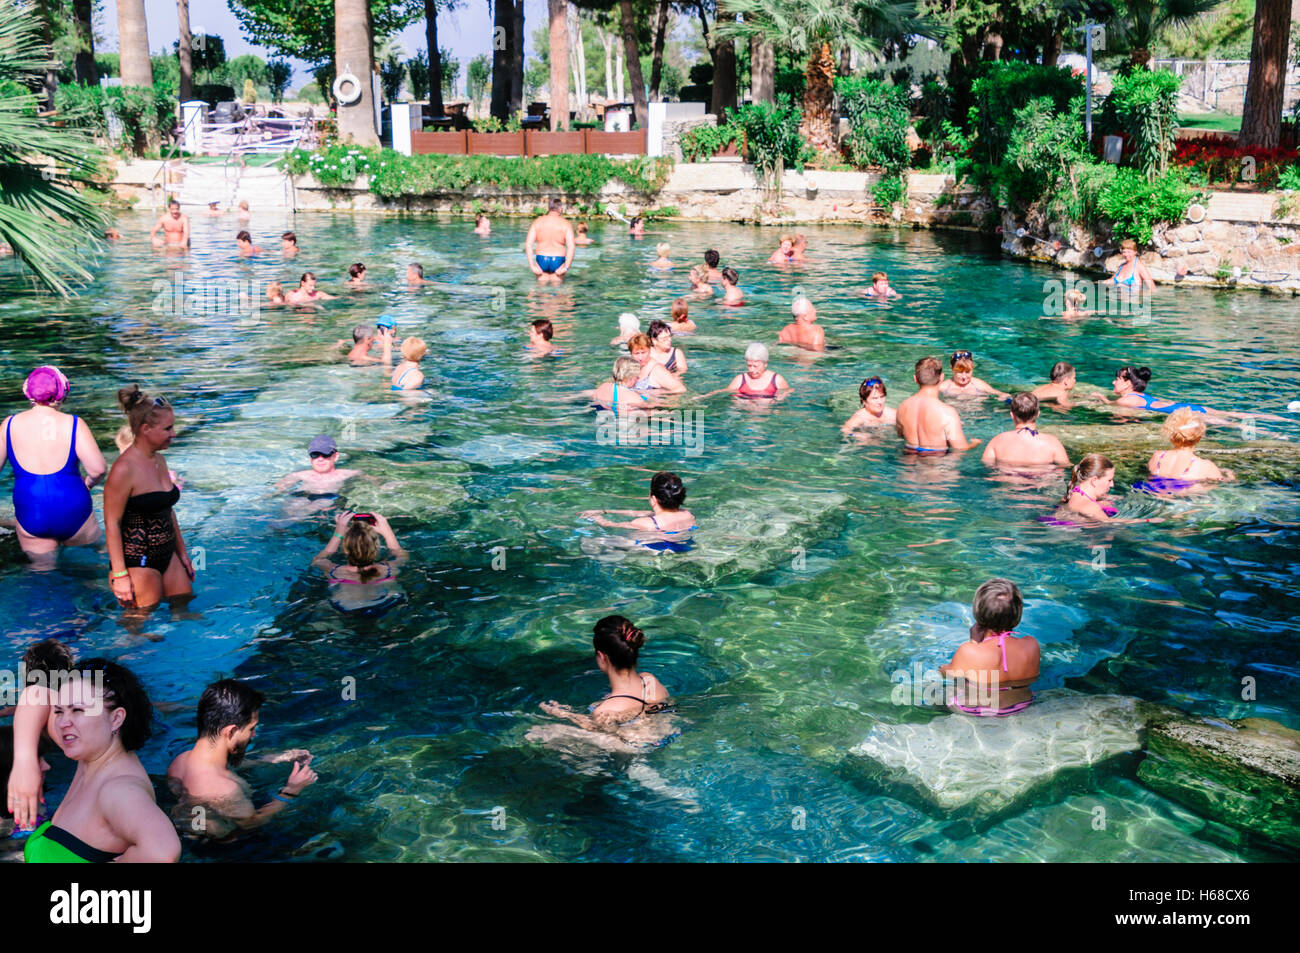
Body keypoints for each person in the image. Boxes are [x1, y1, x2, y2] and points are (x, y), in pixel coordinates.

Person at [21, 659, 181, 862]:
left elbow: (163, 852)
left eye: (78, 710)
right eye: (60, 711)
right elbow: (36, 694)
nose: (62, 722)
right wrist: (24, 763)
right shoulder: (89, 755)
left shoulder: (118, 790)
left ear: (116, 719)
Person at [166, 679, 318, 840]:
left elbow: (224, 767)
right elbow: (252, 822)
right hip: (225, 844)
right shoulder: (225, 790)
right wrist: (291, 791)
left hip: (195, 829)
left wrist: (273, 758)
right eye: (251, 728)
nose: (254, 734)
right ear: (230, 731)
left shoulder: (180, 761)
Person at [1, 366, 107, 560]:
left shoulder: (8, 425)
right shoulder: (74, 423)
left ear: (28, 392)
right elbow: (98, 469)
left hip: (31, 510)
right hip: (74, 506)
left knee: (42, 578)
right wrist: (88, 484)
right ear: (63, 393)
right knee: (91, 570)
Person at [104, 386, 194, 610]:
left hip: (168, 556)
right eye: (168, 428)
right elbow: (112, 523)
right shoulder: (124, 469)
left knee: (185, 609)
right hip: (137, 561)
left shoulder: (159, 461)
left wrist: (182, 554)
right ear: (146, 429)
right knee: (139, 630)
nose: (174, 434)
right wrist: (120, 575)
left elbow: (167, 509)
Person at [539, 615, 673, 738]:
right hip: (667, 733)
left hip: (638, 757)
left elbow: (602, 734)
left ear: (602, 657)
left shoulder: (605, 710)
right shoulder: (650, 680)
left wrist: (566, 715)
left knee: (540, 732)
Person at [940, 579, 1039, 717]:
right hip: (1021, 705)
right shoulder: (1031, 645)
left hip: (975, 710)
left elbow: (947, 673)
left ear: (978, 612)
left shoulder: (969, 650)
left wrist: (974, 644)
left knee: (940, 690)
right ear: (1018, 613)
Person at [312, 511, 408, 612]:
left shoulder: (334, 571)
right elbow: (402, 555)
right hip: (386, 603)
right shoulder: (388, 569)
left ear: (345, 550)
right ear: (376, 548)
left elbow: (318, 559)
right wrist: (387, 532)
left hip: (345, 608)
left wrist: (338, 534)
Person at [581, 471, 697, 553]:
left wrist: (596, 517)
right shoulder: (687, 514)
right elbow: (643, 513)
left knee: (594, 542)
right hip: (684, 548)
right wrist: (605, 511)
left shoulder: (644, 523)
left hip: (655, 550)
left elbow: (609, 525)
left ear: (653, 499)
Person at [1134, 409, 1235, 494]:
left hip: (1151, 491)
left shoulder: (1158, 456)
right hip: (1180, 498)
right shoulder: (1204, 465)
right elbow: (1224, 483)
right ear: (1199, 438)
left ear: (1171, 436)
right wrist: (1230, 475)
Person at [895, 356, 981, 453]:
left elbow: (901, 435)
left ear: (915, 379)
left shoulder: (902, 406)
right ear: (941, 378)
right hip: (936, 463)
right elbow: (961, 448)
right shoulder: (947, 413)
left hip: (907, 461)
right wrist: (975, 443)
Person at [981, 394, 1070, 468]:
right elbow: (1065, 467)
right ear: (1038, 414)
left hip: (1009, 483)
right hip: (1041, 483)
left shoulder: (997, 441)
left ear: (1012, 415)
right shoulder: (1052, 442)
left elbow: (986, 465)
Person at [698, 343, 790, 400]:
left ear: (765, 363)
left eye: (756, 366)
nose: (752, 370)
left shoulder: (776, 380)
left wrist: (781, 397)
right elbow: (724, 391)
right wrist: (704, 396)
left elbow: (788, 391)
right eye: (749, 365)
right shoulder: (740, 379)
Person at [276, 435, 362, 496]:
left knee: (321, 503)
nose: (320, 459)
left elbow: (372, 482)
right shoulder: (299, 475)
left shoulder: (347, 474)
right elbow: (275, 491)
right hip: (302, 496)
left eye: (325, 455)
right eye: (315, 455)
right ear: (310, 458)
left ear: (335, 456)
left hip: (328, 499)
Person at [525, 197, 576, 283]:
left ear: (548, 208)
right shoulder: (566, 224)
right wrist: (566, 267)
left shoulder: (537, 222)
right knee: (558, 292)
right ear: (560, 209)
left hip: (541, 259)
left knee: (541, 291)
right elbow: (571, 247)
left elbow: (528, 245)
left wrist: (532, 266)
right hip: (558, 260)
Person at [1058, 453, 1118, 521]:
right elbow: (1110, 523)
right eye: (1109, 480)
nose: (1112, 485)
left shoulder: (1070, 495)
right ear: (1094, 481)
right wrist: (1132, 521)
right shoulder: (1090, 508)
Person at [940, 351, 1010, 400]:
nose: (964, 377)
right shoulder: (943, 387)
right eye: (960, 372)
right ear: (952, 369)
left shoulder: (978, 384)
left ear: (972, 368)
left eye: (967, 372)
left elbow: (1002, 394)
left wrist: (1003, 396)